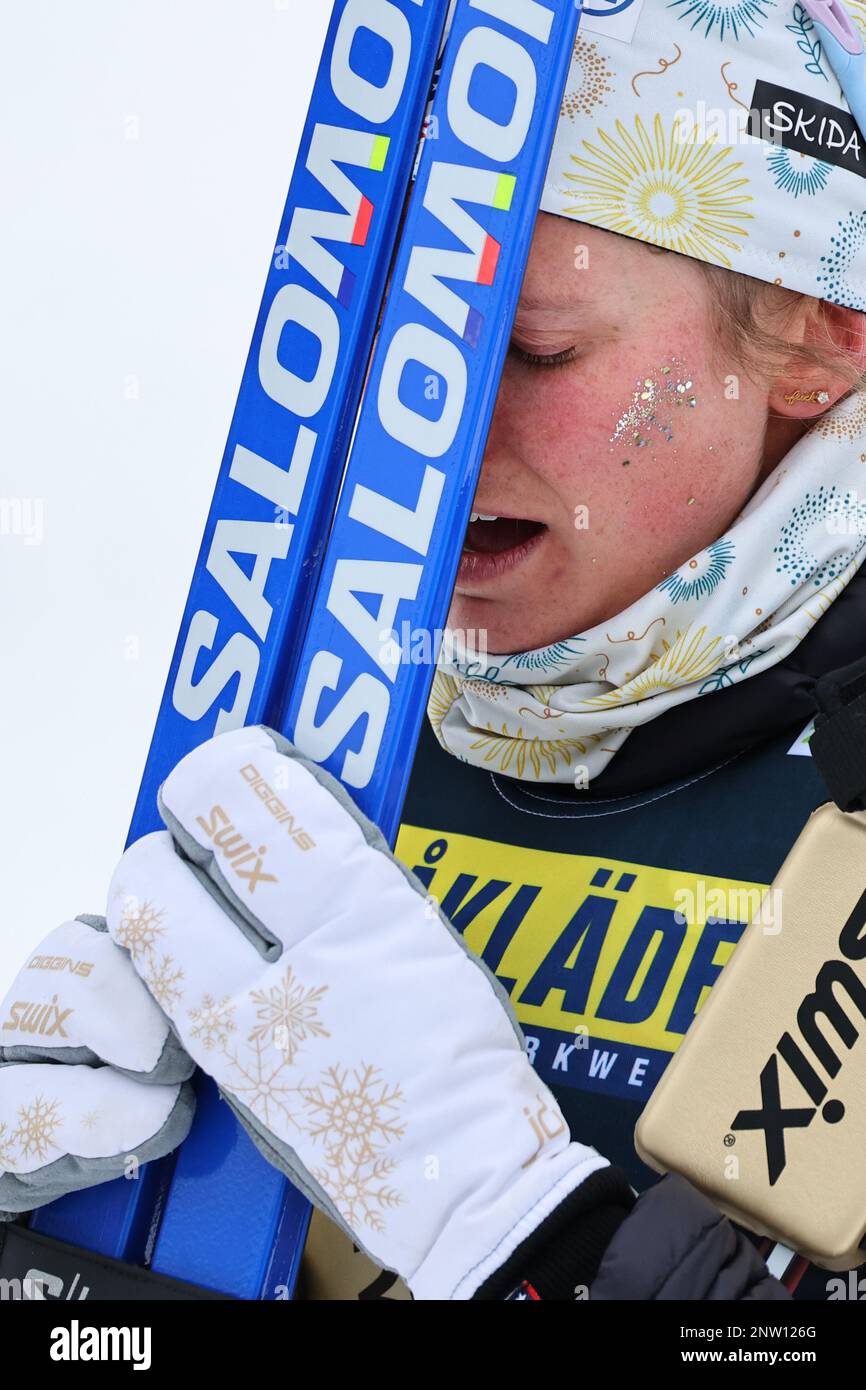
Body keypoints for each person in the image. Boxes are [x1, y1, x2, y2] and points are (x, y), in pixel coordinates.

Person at [2, 0, 866, 1300]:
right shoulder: (327, 738)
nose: (433, 435)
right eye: (397, 349)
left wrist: (529, 1243)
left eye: (532, 347)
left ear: (813, 334)